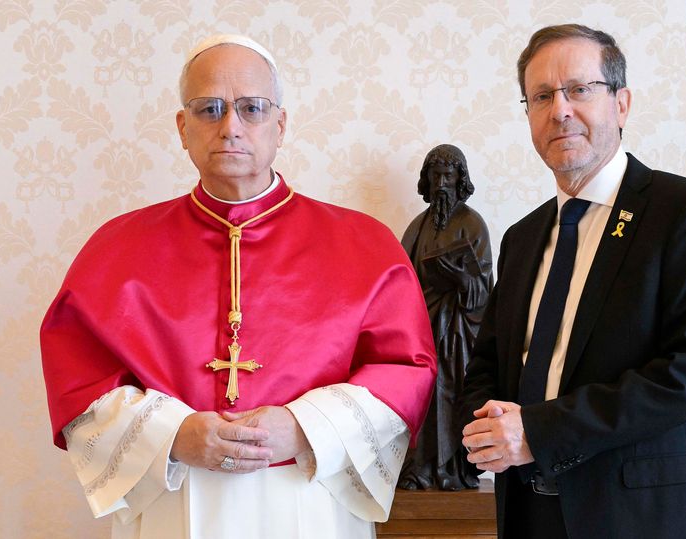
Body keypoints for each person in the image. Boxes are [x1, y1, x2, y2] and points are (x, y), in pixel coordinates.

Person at [40, 34, 436, 539]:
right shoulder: (117, 248)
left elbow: (405, 370)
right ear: (183, 128)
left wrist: (303, 428)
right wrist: (174, 434)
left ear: (281, 124)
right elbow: (79, 382)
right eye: (209, 109)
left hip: (309, 498)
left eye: (252, 108)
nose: (230, 127)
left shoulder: (364, 244)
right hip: (173, 499)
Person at [459, 24, 686, 539]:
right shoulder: (522, 237)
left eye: (579, 90)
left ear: (622, 104)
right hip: (529, 511)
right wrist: (485, 425)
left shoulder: (684, 211)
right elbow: (488, 363)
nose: (560, 110)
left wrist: (539, 433)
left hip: (640, 517)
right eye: (541, 96)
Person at [398, 144, 493, 491]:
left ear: (459, 179)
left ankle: (453, 469)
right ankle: (420, 468)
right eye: (435, 175)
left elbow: (483, 290)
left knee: (451, 396)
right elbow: (401, 281)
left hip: (457, 336)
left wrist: (460, 279)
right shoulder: (417, 227)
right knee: (421, 398)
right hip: (420, 331)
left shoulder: (473, 224)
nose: (441, 183)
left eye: (448, 175)